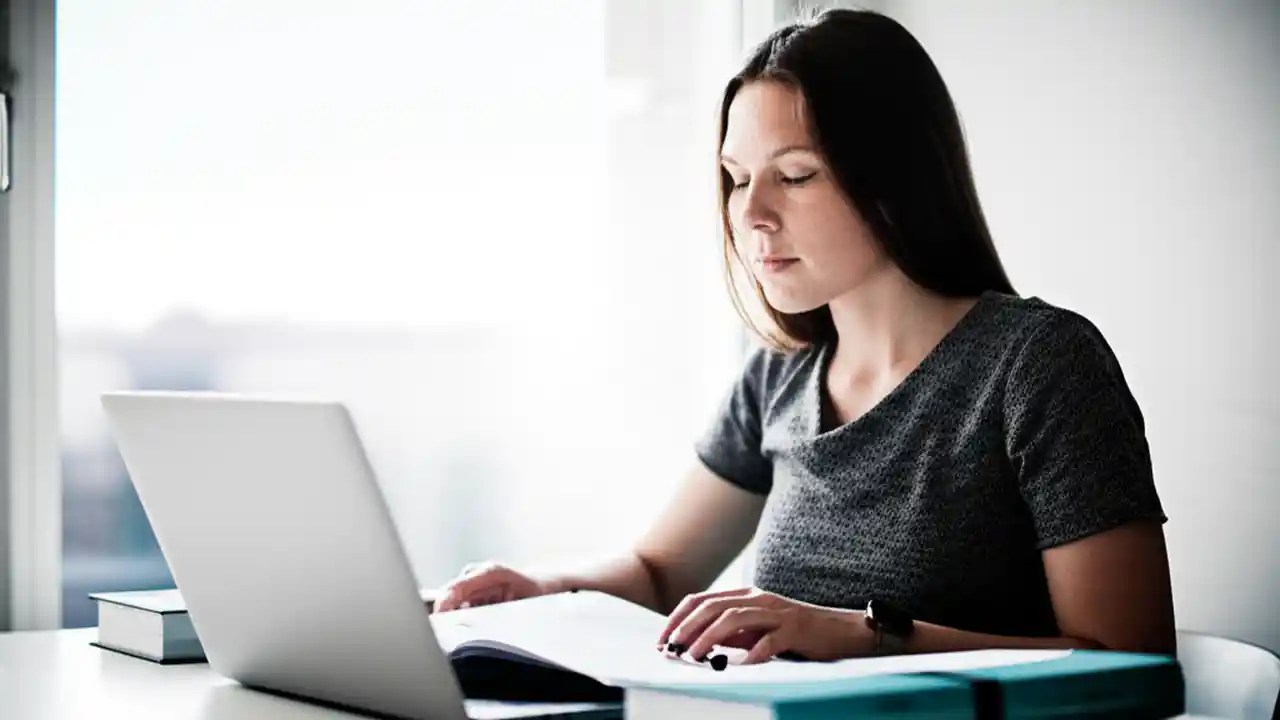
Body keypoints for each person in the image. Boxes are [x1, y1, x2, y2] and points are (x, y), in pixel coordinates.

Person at [432, 8, 1175, 664]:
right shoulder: (777, 377)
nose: (750, 214)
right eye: (734, 177)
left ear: (896, 182)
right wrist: (542, 589)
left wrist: (865, 634)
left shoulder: (1039, 366)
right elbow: (660, 575)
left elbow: (1130, 659)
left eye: (793, 176)